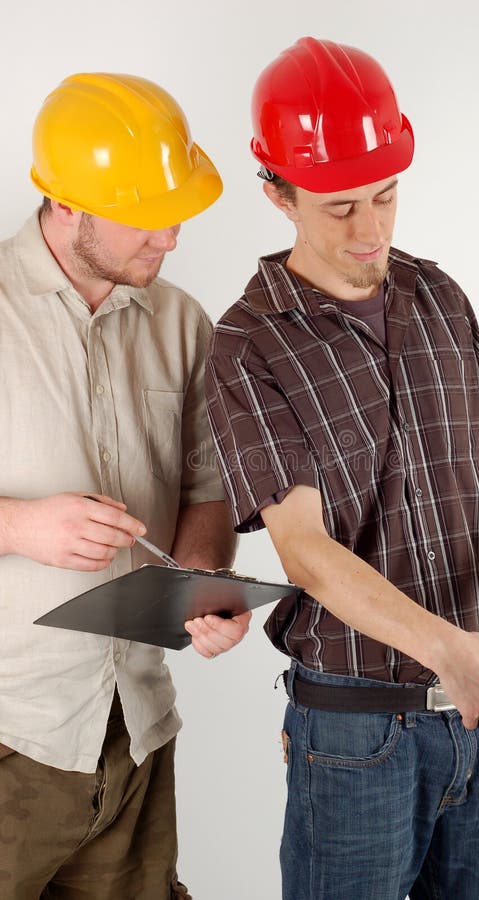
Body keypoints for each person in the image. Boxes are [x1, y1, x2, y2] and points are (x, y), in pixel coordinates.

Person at [205, 37, 479, 900]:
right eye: (339, 208)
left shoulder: (436, 294)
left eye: (385, 195)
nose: (370, 230)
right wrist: (452, 652)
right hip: (352, 738)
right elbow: (301, 551)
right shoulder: (249, 344)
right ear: (277, 194)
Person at [0, 72, 249, 899]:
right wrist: (19, 526)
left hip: (135, 727)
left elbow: (206, 490)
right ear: (67, 205)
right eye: (146, 215)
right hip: (14, 726)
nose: (171, 237)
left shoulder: (182, 323)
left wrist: (202, 590)